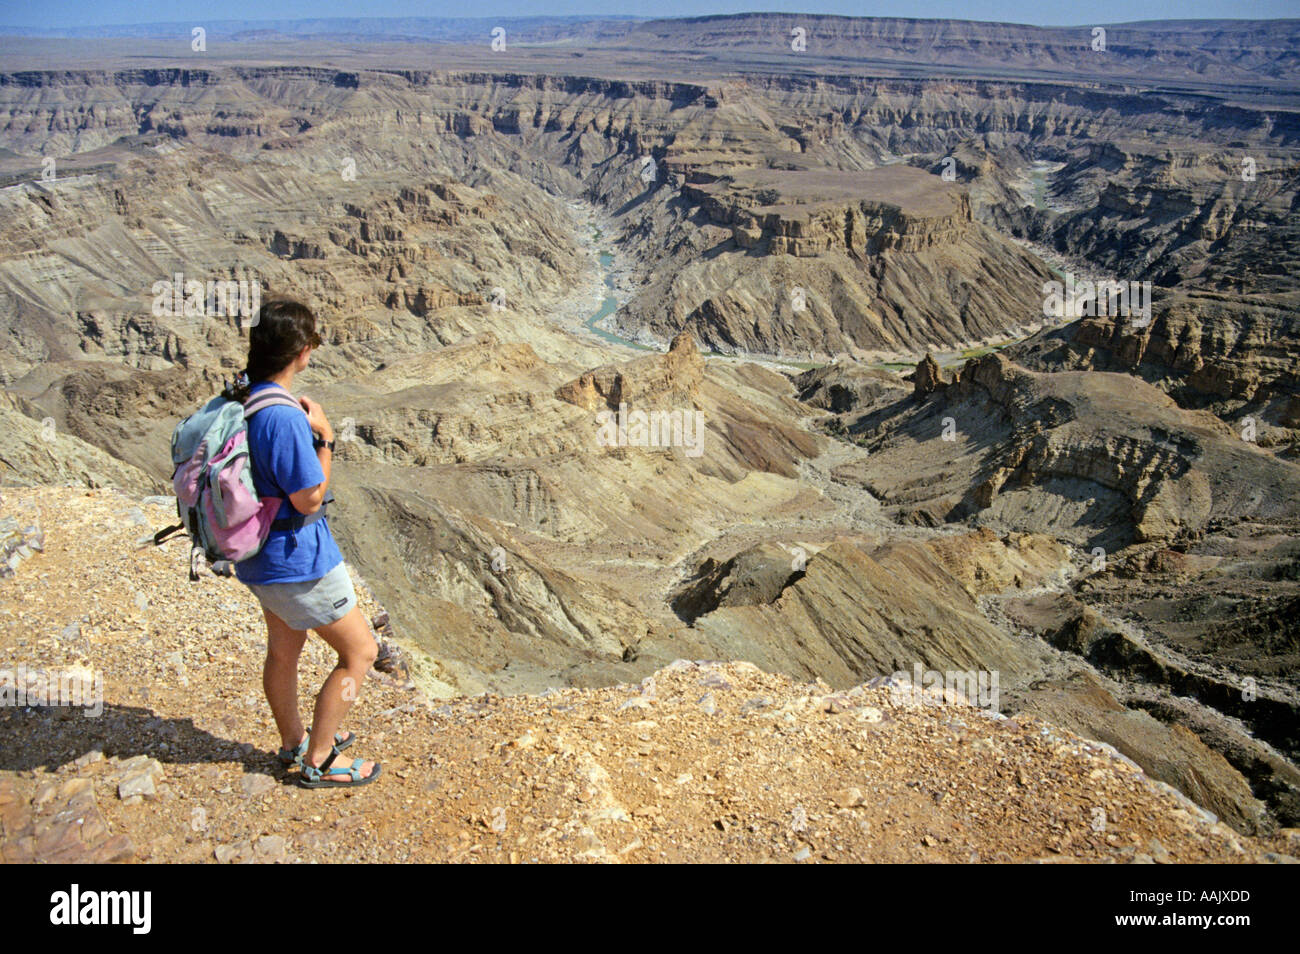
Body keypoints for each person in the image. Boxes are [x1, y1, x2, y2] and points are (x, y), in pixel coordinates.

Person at [226, 298, 381, 788]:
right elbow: (309, 497)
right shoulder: (285, 418)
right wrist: (327, 441)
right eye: (311, 342)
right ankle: (321, 758)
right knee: (361, 653)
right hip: (298, 560)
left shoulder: (244, 399)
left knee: (283, 652)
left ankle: (294, 741)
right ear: (302, 351)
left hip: (260, 559)